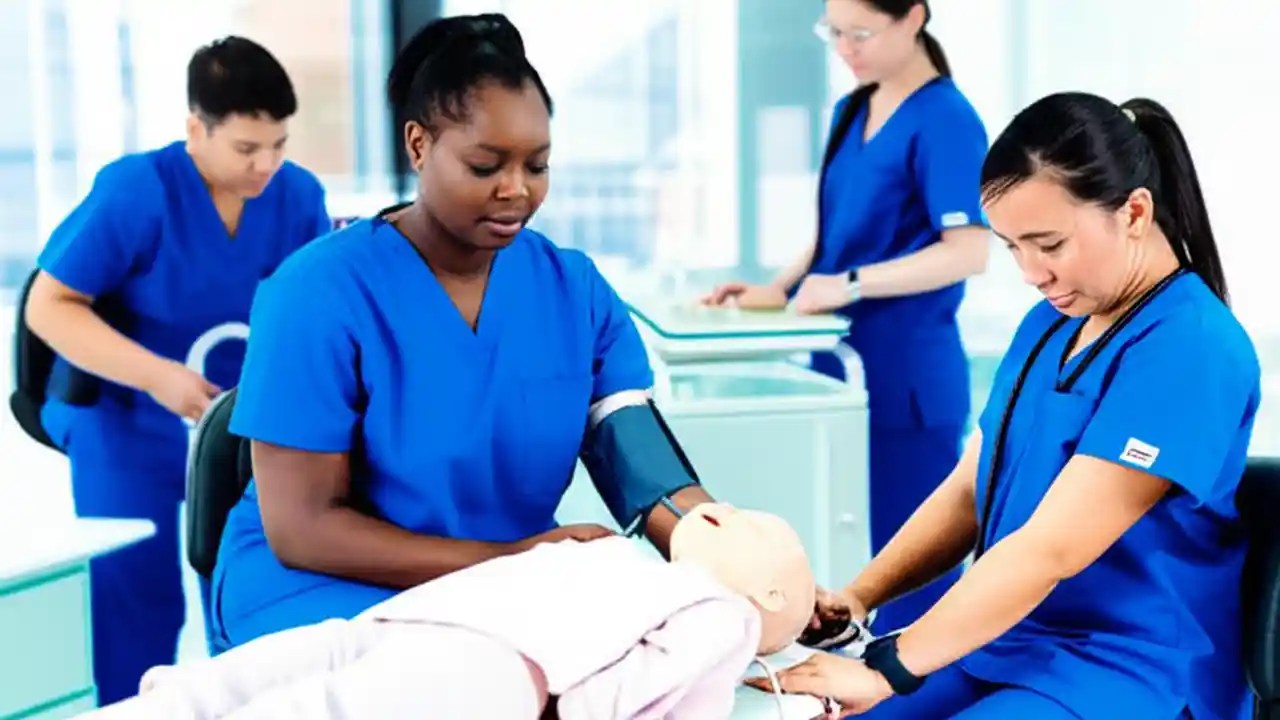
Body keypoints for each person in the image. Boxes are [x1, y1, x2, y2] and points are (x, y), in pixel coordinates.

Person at [209, 13, 748, 649]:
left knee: (668, 649)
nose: (516, 190)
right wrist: (513, 560)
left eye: (537, 166)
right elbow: (302, 531)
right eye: (486, 165)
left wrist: (741, 563)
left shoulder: (573, 291)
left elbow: (647, 473)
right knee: (479, 672)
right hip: (322, 588)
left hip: (504, 589)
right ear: (418, 146)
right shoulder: (317, 292)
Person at [762, 92, 1261, 720]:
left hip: (1128, 671)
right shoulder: (1049, 326)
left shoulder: (1191, 347)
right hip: (1009, 645)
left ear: (1134, 211)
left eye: (1049, 244)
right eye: (1013, 247)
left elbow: (1051, 548)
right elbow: (969, 491)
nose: (1031, 272)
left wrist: (890, 667)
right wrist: (860, 598)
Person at [24, 37, 330, 705]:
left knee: (250, 591)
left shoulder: (298, 197)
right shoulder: (138, 191)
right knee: (137, 602)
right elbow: (49, 305)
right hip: (125, 421)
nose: (266, 165)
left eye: (278, 144)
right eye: (247, 148)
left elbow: (315, 312)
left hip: (238, 426)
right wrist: (156, 376)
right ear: (197, 129)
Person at [704, 0, 989, 634]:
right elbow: (831, 236)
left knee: (910, 566)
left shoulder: (946, 120)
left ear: (913, 18)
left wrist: (852, 285)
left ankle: (920, 680)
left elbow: (968, 252)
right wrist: (778, 288)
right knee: (841, 552)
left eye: (860, 33)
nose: (844, 48)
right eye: (832, 32)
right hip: (837, 368)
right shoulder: (851, 110)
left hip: (907, 378)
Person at [86, 503, 814, 719]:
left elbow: (664, 696)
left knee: (311, 706)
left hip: (493, 669)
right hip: (410, 625)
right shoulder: (618, 558)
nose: (723, 508)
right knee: (238, 681)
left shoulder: (722, 612)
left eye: (754, 525)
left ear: (771, 599)